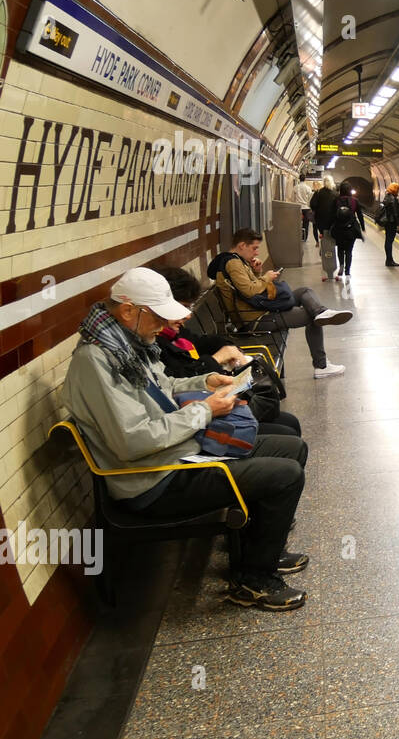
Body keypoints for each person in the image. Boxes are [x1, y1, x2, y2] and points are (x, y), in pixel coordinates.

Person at [61, 267, 311, 611]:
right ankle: (252, 581)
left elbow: (164, 390)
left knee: (292, 447)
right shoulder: (97, 362)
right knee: (285, 475)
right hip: (154, 481)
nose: (164, 326)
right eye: (159, 317)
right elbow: (132, 442)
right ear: (129, 310)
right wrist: (205, 411)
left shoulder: (125, 345)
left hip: (177, 453)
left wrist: (206, 382)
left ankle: (261, 550)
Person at [151, 266, 302, 437]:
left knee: (288, 422)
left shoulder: (174, 333)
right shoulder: (154, 346)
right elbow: (179, 381)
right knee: (285, 433)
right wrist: (216, 359)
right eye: (183, 307)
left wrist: (229, 348)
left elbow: (203, 342)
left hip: (207, 406)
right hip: (197, 419)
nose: (187, 315)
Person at [209, 228, 351, 379]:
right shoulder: (233, 263)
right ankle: (321, 366)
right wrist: (266, 277)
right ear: (242, 245)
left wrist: (256, 272)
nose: (256, 252)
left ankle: (321, 311)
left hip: (258, 309)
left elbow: (247, 290)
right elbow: (249, 291)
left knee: (304, 291)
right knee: (311, 317)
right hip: (255, 319)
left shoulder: (237, 261)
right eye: (254, 248)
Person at [310, 176, 339, 281]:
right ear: (332, 183)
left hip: (321, 222)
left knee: (324, 238)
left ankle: (324, 253)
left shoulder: (318, 193)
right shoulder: (335, 194)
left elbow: (312, 204)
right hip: (332, 224)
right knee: (331, 240)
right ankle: (331, 260)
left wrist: (318, 209)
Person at [332, 191, 363, 281]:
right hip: (351, 229)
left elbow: (332, 214)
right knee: (349, 251)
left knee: (340, 249)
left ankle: (341, 264)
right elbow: (360, 214)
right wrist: (362, 227)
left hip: (339, 229)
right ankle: (347, 271)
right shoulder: (354, 201)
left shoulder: (336, 200)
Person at [378, 182, 399, 267]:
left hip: (387, 222)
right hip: (392, 222)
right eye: (398, 189)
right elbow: (396, 212)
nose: (398, 191)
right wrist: (398, 223)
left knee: (388, 241)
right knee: (389, 241)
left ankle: (389, 259)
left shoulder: (387, 197)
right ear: (395, 189)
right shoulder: (393, 198)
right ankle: (389, 260)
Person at [295, 173, 316, 244]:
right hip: (306, 208)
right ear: (305, 179)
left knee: (298, 223)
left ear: (299, 179)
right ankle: (305, 238)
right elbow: (310, 198)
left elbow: (292, 198)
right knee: (306, 224)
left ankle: (298, 237)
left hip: (298, 208)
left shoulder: (295, 187)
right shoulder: (308, 188)